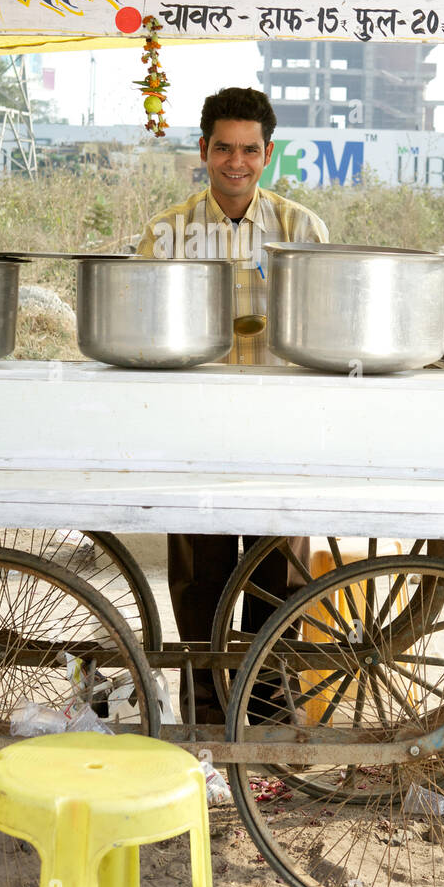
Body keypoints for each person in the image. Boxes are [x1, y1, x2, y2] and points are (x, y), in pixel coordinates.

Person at [137, 87, 329, 722]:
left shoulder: (303, 229)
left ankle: (272, 714)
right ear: (204, 151)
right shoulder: (167, 233)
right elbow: (144, 332)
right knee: (201, 576)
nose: (236, 162)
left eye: (250, 149)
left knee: (280, 571)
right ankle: (207, 716)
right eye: (224, 148)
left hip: (284, 425)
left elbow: (326, 326)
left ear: (267, 153)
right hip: (196, 425)